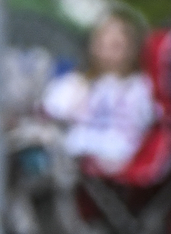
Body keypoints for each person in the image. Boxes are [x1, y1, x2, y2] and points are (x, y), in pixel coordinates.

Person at [41, 12, 155, 176]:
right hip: (77, 158)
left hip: (126, 159)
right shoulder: (74, 83)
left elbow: (149, 122)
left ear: (133, 48)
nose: (107, 52)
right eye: (102, 44)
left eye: (115, 45)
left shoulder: (143, 86)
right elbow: (51, 112)